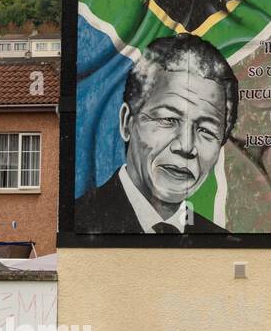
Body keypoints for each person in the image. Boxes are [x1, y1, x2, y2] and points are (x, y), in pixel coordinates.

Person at [75, 33, 237, 234]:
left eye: (206, 130)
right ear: (127, 122)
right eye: (168, 120)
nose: (186, 146)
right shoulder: (79, 224)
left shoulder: (219, 241)